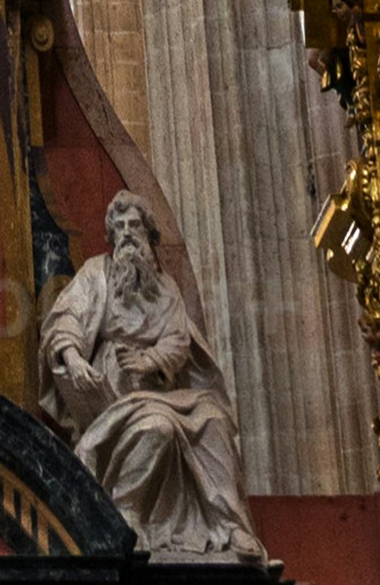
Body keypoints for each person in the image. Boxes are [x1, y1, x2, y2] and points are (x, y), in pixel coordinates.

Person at [37, 193, 264, 561]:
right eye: (120, 227)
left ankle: (230, 526)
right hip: (114, 395)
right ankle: (126, 513)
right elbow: (64, 321)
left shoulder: (166, 287)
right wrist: (73, 357)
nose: (127, 234)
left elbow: (178, 341)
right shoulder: (97, 274)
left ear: (148, 235)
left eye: (135, 226)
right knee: (157, 428)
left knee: (215, 422)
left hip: (160, 386)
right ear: (111, 236)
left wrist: (148, 360)